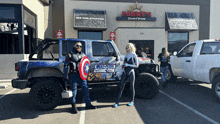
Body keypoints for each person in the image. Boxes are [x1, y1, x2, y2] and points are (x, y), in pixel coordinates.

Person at [63, 42, 96, 114]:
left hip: (82, 76)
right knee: (73, 91)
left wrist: (87, 74)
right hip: (73, 75)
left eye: (80, 46)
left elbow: (86, 65)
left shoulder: (83, 55)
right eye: (77, 45)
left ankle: (88, 104)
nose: (79, 47)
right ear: (74, 46)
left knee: (86, 90)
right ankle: (73, 107)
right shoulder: (69, 55)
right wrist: (65, 76)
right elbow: (66, 66)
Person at [113, 43, 139, 108]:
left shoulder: (134, 55)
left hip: (131, 72)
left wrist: (128, 65)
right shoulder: (126, 55)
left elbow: (136, 65)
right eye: (126, 48)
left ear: (131, 48)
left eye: (128, 48)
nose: (127, 49)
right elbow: (123, 65)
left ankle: (132, 101)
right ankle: (117, 102)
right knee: (121, 87)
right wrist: (119, 73)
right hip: (125, 71)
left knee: (131, 87)